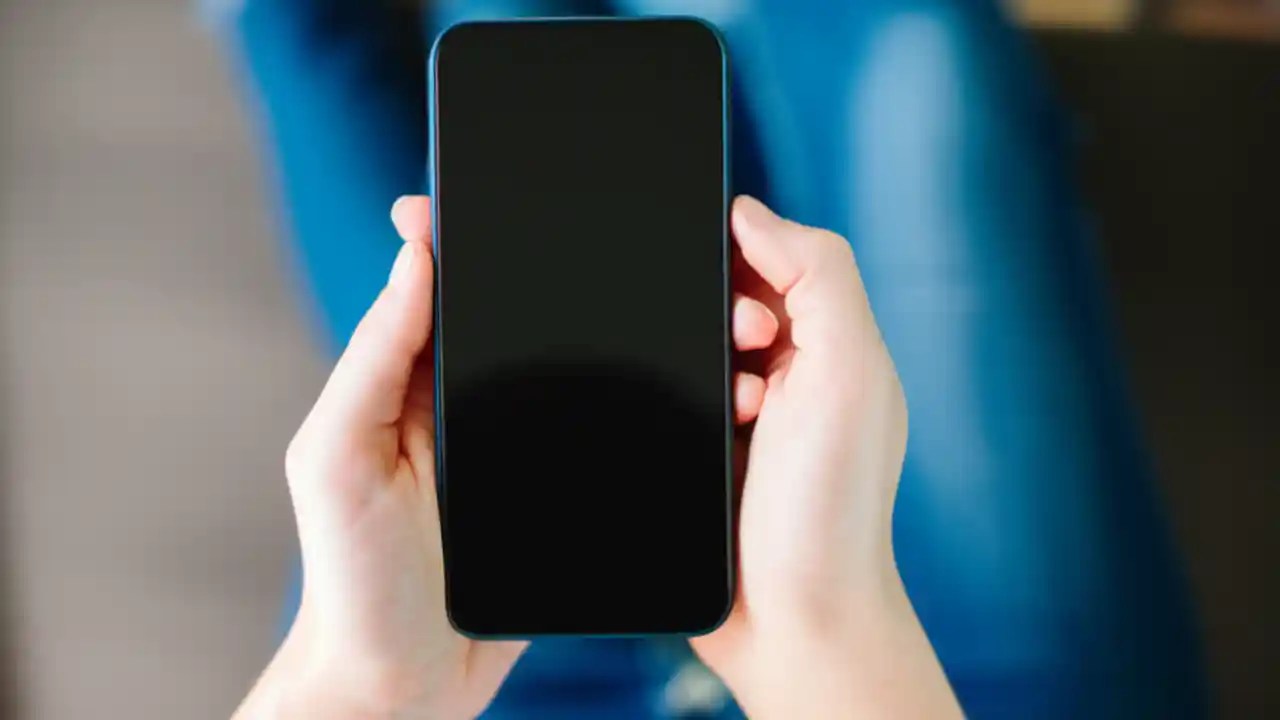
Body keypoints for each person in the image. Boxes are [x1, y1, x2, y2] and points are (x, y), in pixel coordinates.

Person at [217, 1, 1206, 716]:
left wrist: (365, 683)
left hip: (481, 661)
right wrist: (822, 633)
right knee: (920, 54)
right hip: (910, 680)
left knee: (500, 126)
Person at [232, 194, 965, 719]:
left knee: (462, 250)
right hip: (894, 677)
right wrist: (820, 618)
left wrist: (366, 692)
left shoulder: (400, 659)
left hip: (493, 629)